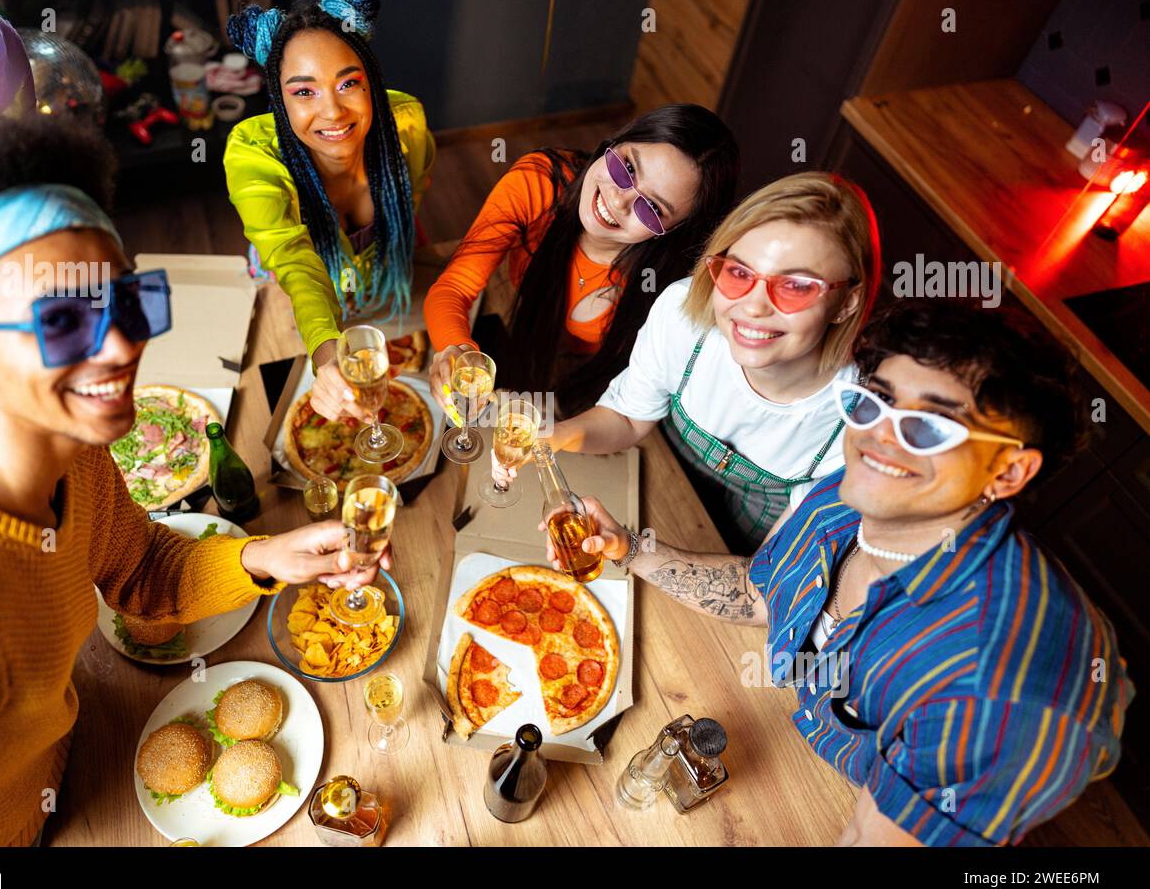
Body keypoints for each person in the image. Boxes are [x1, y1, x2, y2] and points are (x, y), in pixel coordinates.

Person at [0, 116, 385, 846]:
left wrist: (265, 558)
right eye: (64, 320)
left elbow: (136, 568)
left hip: (79, 742)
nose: (125, 343)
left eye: (126, 300)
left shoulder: (59, 435)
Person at [554, 298, 1133, 846]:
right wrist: (629, 550)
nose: (879, 436)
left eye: (929, 427)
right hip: (794, 742)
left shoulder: (992, 687)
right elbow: (763, 593)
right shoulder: (850, 493)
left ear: (1007, 473)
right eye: (874, 401)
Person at [505, 172, 879, 554]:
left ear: (847, 302)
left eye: (796, 286)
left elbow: (765, 578)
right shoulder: (682, 315)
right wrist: (557, 436)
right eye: (739, 272)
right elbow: (629, 417)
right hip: (660, 486)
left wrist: (633, 550)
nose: (752, 306)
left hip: (748, 551)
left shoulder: (862, 420)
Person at [425, 104, 739, 417]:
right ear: (615, 142)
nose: (619, 200)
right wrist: (457, 349)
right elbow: (454, 286)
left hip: (598, 392)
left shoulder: (672, 281)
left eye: (653, 208)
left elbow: (638, 383)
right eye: (627, 168)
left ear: (674, 230)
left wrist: (556, 411)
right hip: (523, 339)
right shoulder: (540, 181)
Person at [224, 0, 435, 422]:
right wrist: (326, 356)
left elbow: (412, 195)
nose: (333, 112)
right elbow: (295, 261)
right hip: (294, 282)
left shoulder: (407, 124)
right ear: (279, 101)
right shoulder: (250, 153)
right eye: (304, 92)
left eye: (349, 83)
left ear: (371, 81)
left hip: (386, 270)